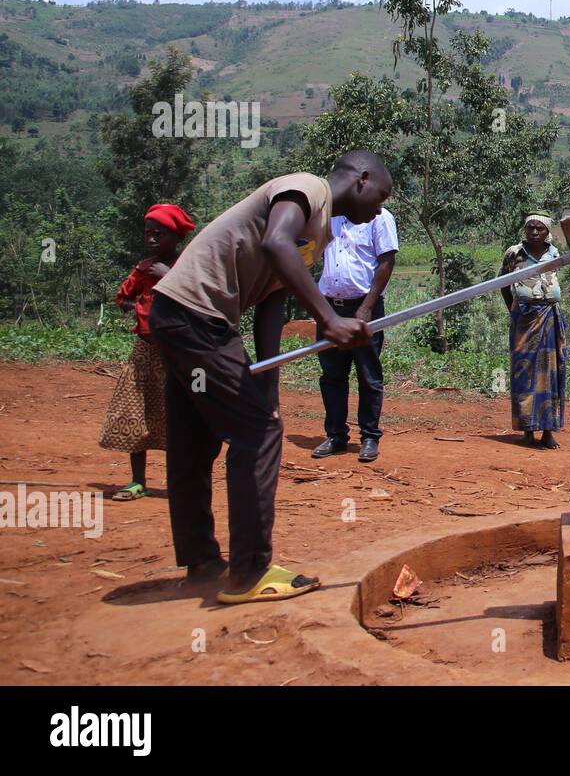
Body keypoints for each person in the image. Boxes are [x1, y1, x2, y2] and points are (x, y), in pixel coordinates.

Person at [149, 151, 390, 604]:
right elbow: (275, 244)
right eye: (382, 195)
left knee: (194, 442)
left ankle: (202, 564)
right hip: (200, 317)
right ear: (361, 179)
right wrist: (327, 319)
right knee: (258, 434)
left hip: (178, 314)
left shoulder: (315, 236)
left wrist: (269, 385)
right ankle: (249, 572)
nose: (380, 208)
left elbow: (271, 305)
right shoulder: (309, 188)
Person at [98, 204, 195, 501]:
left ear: (175, 237)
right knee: (135, 412)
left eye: (159, 234)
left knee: (177, 417)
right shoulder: (143, 269)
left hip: (177, 353)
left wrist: (167, 276)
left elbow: (196, 299)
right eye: (148, 234)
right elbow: (122, 298)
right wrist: (140, 308)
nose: (152, 239)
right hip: (144, 352)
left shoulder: (188, 267)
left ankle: (181, 484)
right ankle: (137, 481)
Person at [310, 205, 399, 464]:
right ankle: (336, 436)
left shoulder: (380, 217)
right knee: (332, 376)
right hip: (330, 309)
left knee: (368, 375)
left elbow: (386, 261)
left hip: (364, 308)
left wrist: (367, 307)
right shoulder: (328, 217)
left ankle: (370, 437)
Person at [498, 215, 567, 449]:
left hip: (549, 317)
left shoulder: (554, 253)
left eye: (539, 228)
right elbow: (502, 283)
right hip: (524, 320)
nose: (534, 232)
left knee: (550, 374)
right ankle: (527, 430)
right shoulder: (514, 253)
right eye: (530, 228)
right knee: (524, 373)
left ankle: (548, 431)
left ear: (547, 231)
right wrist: (515, 311)